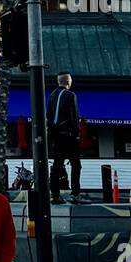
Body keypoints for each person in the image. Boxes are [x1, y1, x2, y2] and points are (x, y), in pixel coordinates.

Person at [47, 71, 82, 203]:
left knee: (57, 165)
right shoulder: (70, 95)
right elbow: (74, 117)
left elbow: (48, 117)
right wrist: (77, 135)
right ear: (68, 82)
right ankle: (75, 193)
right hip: (69, 136)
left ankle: (55, 194)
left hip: (57, 137)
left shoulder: (52, 96)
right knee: (76, 165)